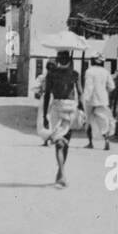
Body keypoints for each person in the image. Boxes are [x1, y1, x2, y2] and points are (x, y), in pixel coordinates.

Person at [41, 50, 81, 187]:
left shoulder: (51, 74)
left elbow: (47, 95)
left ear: (57, 59)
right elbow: (80, 94)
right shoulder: (75, 74)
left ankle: (62, 173)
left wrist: (44, 116)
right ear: (69, 59)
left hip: (57, 109)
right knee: (65, 143)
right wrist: (81, 110)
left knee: (59, 143)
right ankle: (61, 173)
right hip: (70, 108)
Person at [81, 53, 117, 150]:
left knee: (88, 121)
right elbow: (112, 86)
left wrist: (85, 99)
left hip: (91, 99)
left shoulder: (89, 71)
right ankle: (106, 140)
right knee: (103, 121)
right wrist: (103, 91)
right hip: (103, 99)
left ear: (92, 60)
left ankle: (90, 143)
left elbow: (89, 86)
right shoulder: (105, 72)